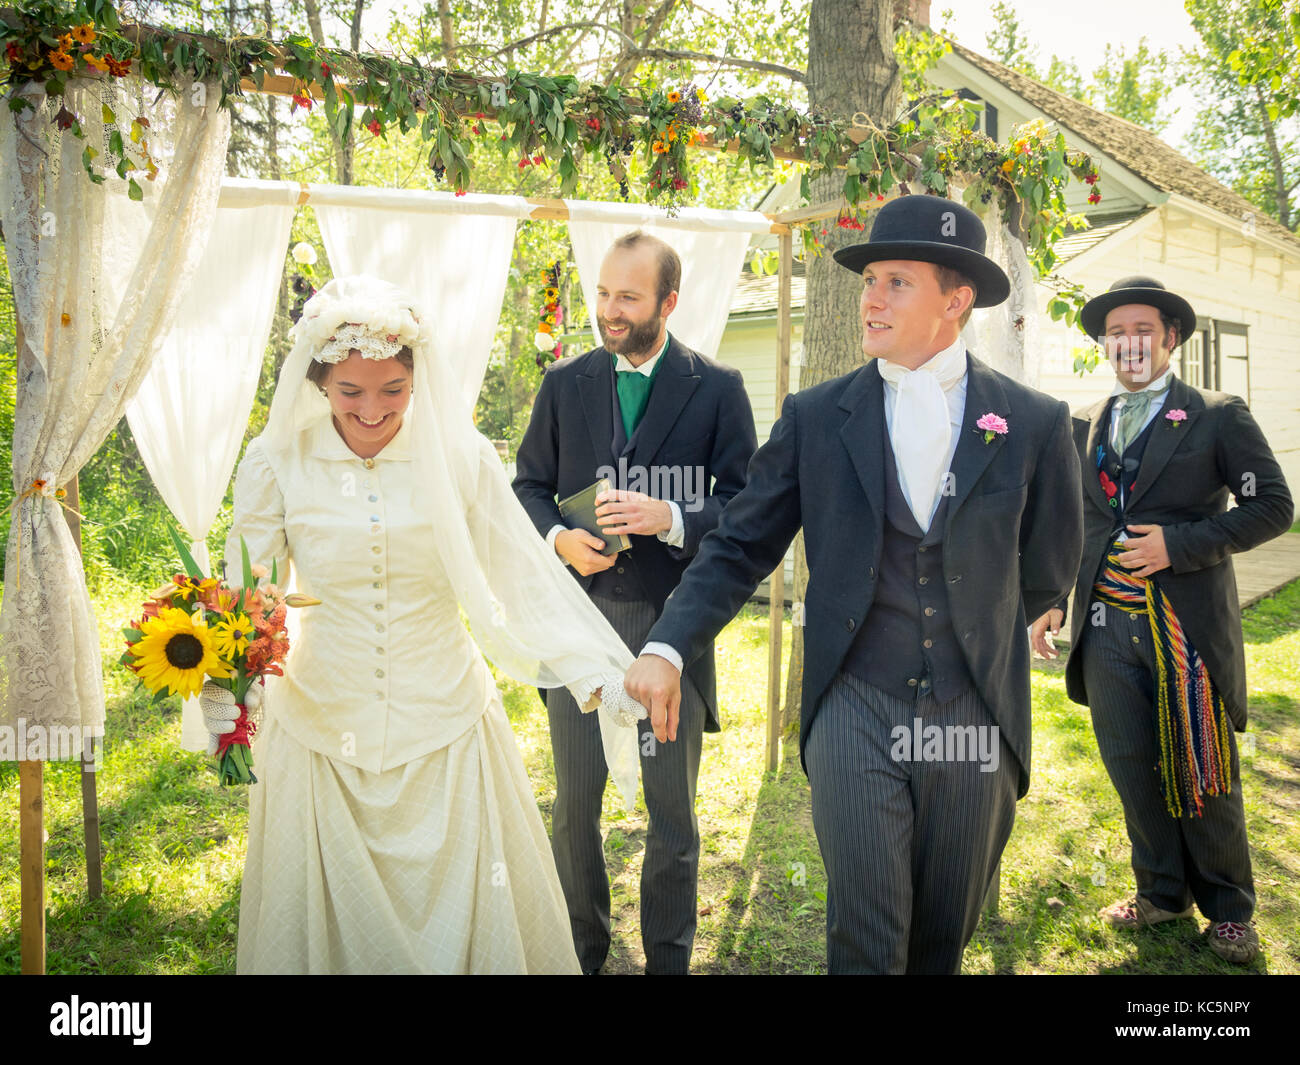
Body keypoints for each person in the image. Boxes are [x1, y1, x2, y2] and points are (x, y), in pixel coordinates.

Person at [624, 195, 1084, 974]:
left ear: (957, 299)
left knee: (941, 937)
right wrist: (668, 643)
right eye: (869, 279)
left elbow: (1051, 556)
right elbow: (738, 544)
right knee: (866, 939)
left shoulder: (1034, 423)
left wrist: (1031, 612)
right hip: (854, 702)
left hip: (974, 712)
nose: (870, 298)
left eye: (897, 282)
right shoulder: (814, 417)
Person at [199, 274, 647, 974]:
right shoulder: (275, 462)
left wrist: (602, 677)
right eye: (351, 392)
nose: (372, 410)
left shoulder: (462, 459)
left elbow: (522, 577)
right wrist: (233, 687)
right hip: (323, 735)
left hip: (446, 730)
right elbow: (248, 597)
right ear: (320, 382)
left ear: (417, 379)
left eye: (392, 391)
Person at [512, 231, 757, 974]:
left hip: (671, 625)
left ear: (668, 302)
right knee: (572, 808)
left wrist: (675, 518)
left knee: (671, 814)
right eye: (603, 293)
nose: (609, 311)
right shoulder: (564, 382)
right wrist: (557, 537)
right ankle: (580, 952)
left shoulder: (718, 389)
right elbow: (526, 484)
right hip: (579, 622)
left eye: (628, 297)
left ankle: (668, 962)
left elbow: (749, 510)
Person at [1031, 276, 1293, 966]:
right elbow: (1078, 521)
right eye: (1116, 332)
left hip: (1187, 629)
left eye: (1143, 329)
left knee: (1202, 768)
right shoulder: (1083, 420)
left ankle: (1231, 910)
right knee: (1132, 766)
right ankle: (1162, 892)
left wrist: (1177, 545)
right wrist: (1055, 597)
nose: (1129, 343)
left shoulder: (1216, 413)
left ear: (1171, 338)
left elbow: (1273, 506)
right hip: (1105, 629)